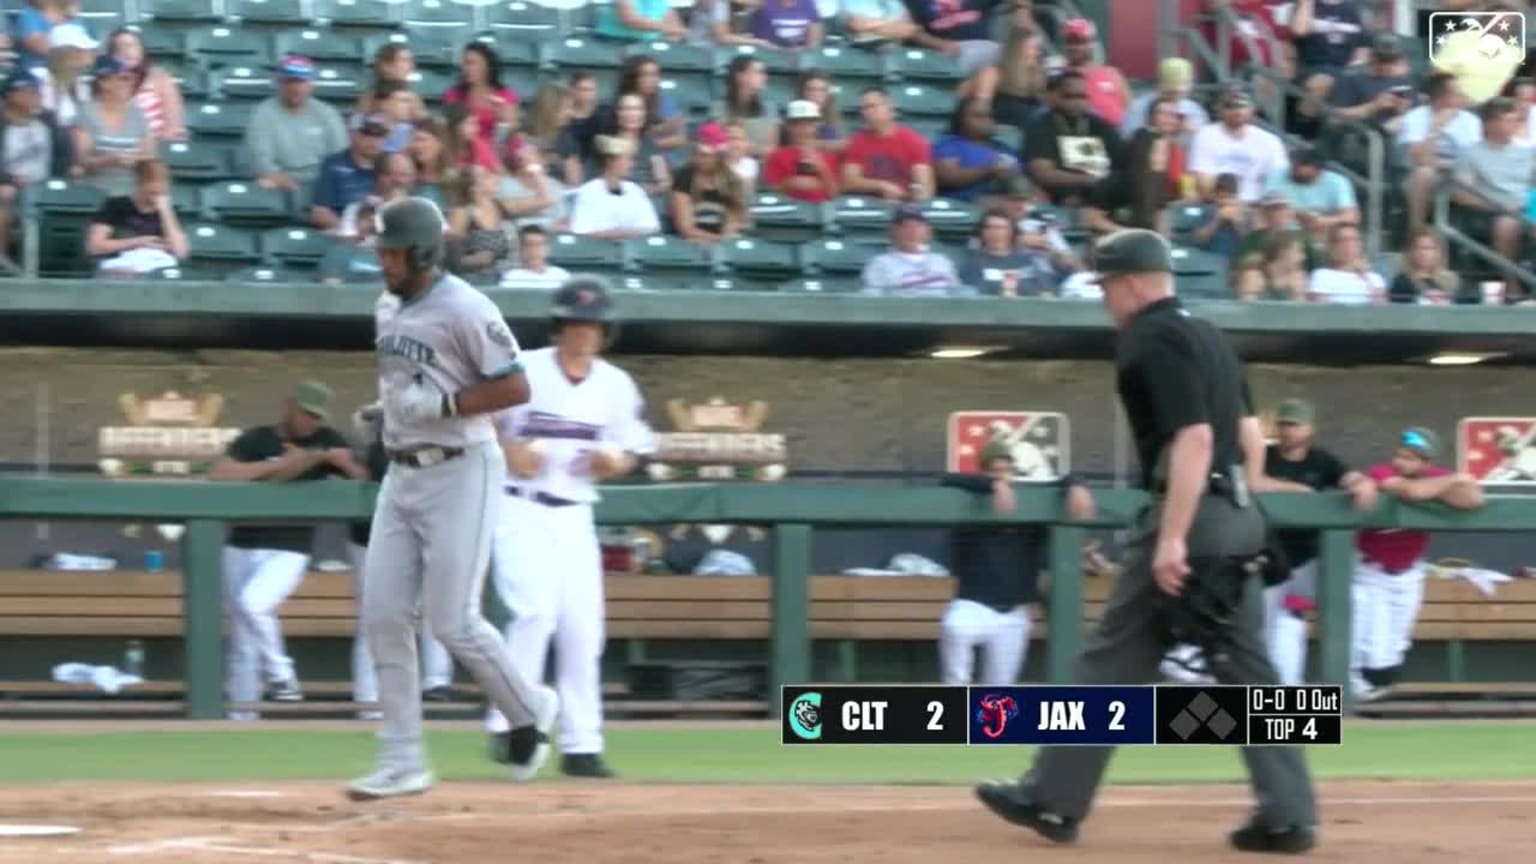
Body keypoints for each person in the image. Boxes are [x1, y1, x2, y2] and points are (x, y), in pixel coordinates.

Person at [974, 228, 1318, 855]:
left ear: (1133, 283)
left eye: (1106, 285)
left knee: (1106, 664)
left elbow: (1195, 439)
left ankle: (1051, 798)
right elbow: (1245, 435)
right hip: (1240, 517)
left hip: (1192, 519)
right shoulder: (1209, 333)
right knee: (1252, 676)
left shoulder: (1149, 337)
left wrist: (1173, 538)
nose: (1104, 298)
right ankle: (1290, 815)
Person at [346, 196, 559, 801]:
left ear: (419, 252)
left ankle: (528, 705)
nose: (383, 261)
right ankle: (402, 759)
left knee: (452, 621)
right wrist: (386, 412)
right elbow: (406, 381)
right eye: (381, 250)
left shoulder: (467, 306)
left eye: (392, 252)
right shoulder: (386, 304)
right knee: (383, 615)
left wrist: (442, 406)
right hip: (402, 472)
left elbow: (516, 385)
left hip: (463, 469)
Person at [487, 276, 655, 779]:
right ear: (558, 327)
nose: (583, 333)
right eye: (574, 323)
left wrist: (615, 463)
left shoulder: (615, 384)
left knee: (584, 628)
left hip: (575, 511)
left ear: (605, 332)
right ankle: (509, 725)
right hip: (517, 505)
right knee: (534, 613)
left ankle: (582, 745)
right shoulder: (526, 368)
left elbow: (632, 446)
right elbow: (476, 421)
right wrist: (510, 451)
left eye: (592, 325)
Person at [208, 382, 366, 718]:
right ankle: (242, 721)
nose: (309, 422)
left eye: (315, 416)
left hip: (290, 546)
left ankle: (282, 676)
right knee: (242, 640)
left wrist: (327, 459)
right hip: (241, 543)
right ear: (289, 405)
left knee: (255, 604)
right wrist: (280, 463)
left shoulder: (329, 440)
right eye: (305, 413)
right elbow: (221, 474)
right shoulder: (257, 439)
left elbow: (365, 480)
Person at [939, 440, 1094, 685]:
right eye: (994, 470)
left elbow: (1063, 480)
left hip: (1014, 612)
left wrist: (1077, 485)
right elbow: (946, 479)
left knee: (1000, 691)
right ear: (983, 471)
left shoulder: (1030, 498)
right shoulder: (969, 498)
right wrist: (993, 485)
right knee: (955, 629)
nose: (1003, 476)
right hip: (973, 604)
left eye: (1007, 470)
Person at [1351, 428, 1484, 701]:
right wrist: (1454, 481)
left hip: (1409, 574)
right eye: (1400, 455)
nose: (1401, 462)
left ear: (1427, 464)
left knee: (1395, 646)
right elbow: (1408, 491)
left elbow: (1473, 499)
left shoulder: (1437, 478)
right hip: (1370, 571)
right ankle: (1357, 697)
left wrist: (1446, 485)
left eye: (1411, 458)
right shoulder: (1381, 473)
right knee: (1372, 649)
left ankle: (1375, 698)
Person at [1255, 399, 1375, 685]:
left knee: (1355, 598)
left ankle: (1349, 676)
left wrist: (1363, 484)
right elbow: (1251, 481)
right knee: (1260, 631)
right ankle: (1257, 694)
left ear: (1309, 429)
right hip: (1268, 562)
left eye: (1295, 425)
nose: (1288, 431)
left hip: (1308, 560)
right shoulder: (1263, 456)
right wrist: (1295, 489)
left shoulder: (1321, 461)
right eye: (1284, 424)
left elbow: (1349, 477)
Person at [246, 55, 349, 192]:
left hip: (322, 179)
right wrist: (281, 179)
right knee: (264, 183)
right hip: (281, 180)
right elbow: (261, 160)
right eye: (289, 82)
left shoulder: (326, 112)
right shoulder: (262, 114)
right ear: (279, 83)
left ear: (311, 85)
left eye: (300, 82)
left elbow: (340, 154)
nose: (295, 88)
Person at [1023, 70, 1120, 207]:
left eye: (1082, 97)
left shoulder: (1099, 125)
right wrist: (1087, 180)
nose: (1077, 102)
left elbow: (1121, 163)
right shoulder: (1041, 125)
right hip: (1062, 193)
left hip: (1104, 189)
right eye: (1069, 97)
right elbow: (1042, 173)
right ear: (1054, 97)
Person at [84, 158, 188, 276]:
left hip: (156, 267)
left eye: (162, 193)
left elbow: (180, 252)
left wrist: (165, 211)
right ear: (139, 184)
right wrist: (138, 242)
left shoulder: (168, 213)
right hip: (120, 265)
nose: (156, 198)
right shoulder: (115, 205)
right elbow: (94, 246)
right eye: (152, 193)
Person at [1188, 87, 1288, 204]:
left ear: (1252, 108)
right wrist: (1229, 203)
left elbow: (1279, 182)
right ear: (1219, 108)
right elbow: (1204, 183)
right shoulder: (1205, 135)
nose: (1236, 111)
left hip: (1258, 206)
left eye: (1242, 105)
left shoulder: (1270, 140)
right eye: (1230, 106)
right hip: (1217, 204)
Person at [74, 55, 154, 198]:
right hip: (95, 190)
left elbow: (150, 153)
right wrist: (109, 161)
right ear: (104, 83)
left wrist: (138, 158)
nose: (130, 83)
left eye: (131, 78)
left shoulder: (137, 113)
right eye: (124, 78)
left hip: (133, 192)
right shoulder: (86, 112)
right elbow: (82, 160)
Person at [842, 87, 933, 202]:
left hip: (904, 205)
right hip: (871, 204)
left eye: (872, 106)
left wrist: (909, 195)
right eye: (864, 108)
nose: (867, 112)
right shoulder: (857, 142)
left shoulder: (914, 141)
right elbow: (849, 181)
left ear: (889, 107)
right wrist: (882, 186)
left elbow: (923, 185)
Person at [568, 135, 662, 239]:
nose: (631, 165)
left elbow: (650, 227)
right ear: (610, 161)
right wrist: (626, 233)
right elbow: (583, 231)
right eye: (627, 160)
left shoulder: (635, 190)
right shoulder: (589, 191)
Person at [861, 205, 965, 296]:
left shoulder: (942, 261)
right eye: (904, 226)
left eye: (918, 226)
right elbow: (874, 303)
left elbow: (958, 296)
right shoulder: (880, 264)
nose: (911, 231)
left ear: (928, 232)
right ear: (892, 231)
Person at [670, 123, 748, 243]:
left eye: (705, 155)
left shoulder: (732, 181)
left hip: (723, 243)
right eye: (697, 153)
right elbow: (686, 228)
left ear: (718, 157)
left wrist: (724, 240)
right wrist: (717, 240)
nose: (699, 159)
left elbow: (733, 223)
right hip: (693, 241)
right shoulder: (683, 177)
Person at [310, 113, 388, 231]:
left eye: (379, 135)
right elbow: (320, 212)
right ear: (352, 134)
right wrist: (349, 230)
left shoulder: (390, 164)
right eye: (367, 134)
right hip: (343, 235)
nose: (373, 141)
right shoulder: (334, 164)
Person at [933, 96, 1019, 203]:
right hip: (966, 200)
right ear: (961, 120)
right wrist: (989, 170)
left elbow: (1021, 177)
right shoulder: (949, 144)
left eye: (989, 116)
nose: (986, 121)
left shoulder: (1004, 148)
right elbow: (947, 177)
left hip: (1009, 198)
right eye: (979, 116)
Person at [107, 27, 186, 142]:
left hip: (157, 146)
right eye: (120, 47)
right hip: (117, 148)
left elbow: (173, 125)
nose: (126, 51)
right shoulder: (105, 82)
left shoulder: (160, 78)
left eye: (132, 46)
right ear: (112, 54)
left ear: (142, 50)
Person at [763, 99, 841, 202]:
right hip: (789, 210)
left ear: (816, 126)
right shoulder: (777, 156)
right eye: (797, 124)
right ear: (789, 126)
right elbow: (771, 192)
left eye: (808, 124)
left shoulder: (828, 156)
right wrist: (790, 184)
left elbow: (834, 193)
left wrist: (822, 167)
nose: (803, 129)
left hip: (822, 210)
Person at [1121, 57, 1208, 141]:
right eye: (1170, 92)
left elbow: (1208, 146)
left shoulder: (1194, 111)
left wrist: (1194, 131)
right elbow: (1129, 142)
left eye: (1179, 93)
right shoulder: (1138, 108)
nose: (1174, 97)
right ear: (1159, 86)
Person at [1306, 222, 1384, 305]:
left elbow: (1382, 310)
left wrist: (1366, 277)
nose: (1350, 245)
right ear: (1334, 246)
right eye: (1344, 240)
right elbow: (1321, 310)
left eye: (1355, 240)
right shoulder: (1322, 275)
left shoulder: (1375, 278)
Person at [1389, 228, 1462, 304]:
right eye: (1419, 248)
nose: (1423, 253)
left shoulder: (1449, 281)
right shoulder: (1401, 283)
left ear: (1437, 252)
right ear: (1411, 251)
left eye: (1429, 248)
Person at [500, 225, 571, 291]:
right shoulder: (512, 278)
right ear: (521, 249)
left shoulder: (561, 275)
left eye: (539, 244)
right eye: (529, 245)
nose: (534, 250)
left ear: (547, 249)